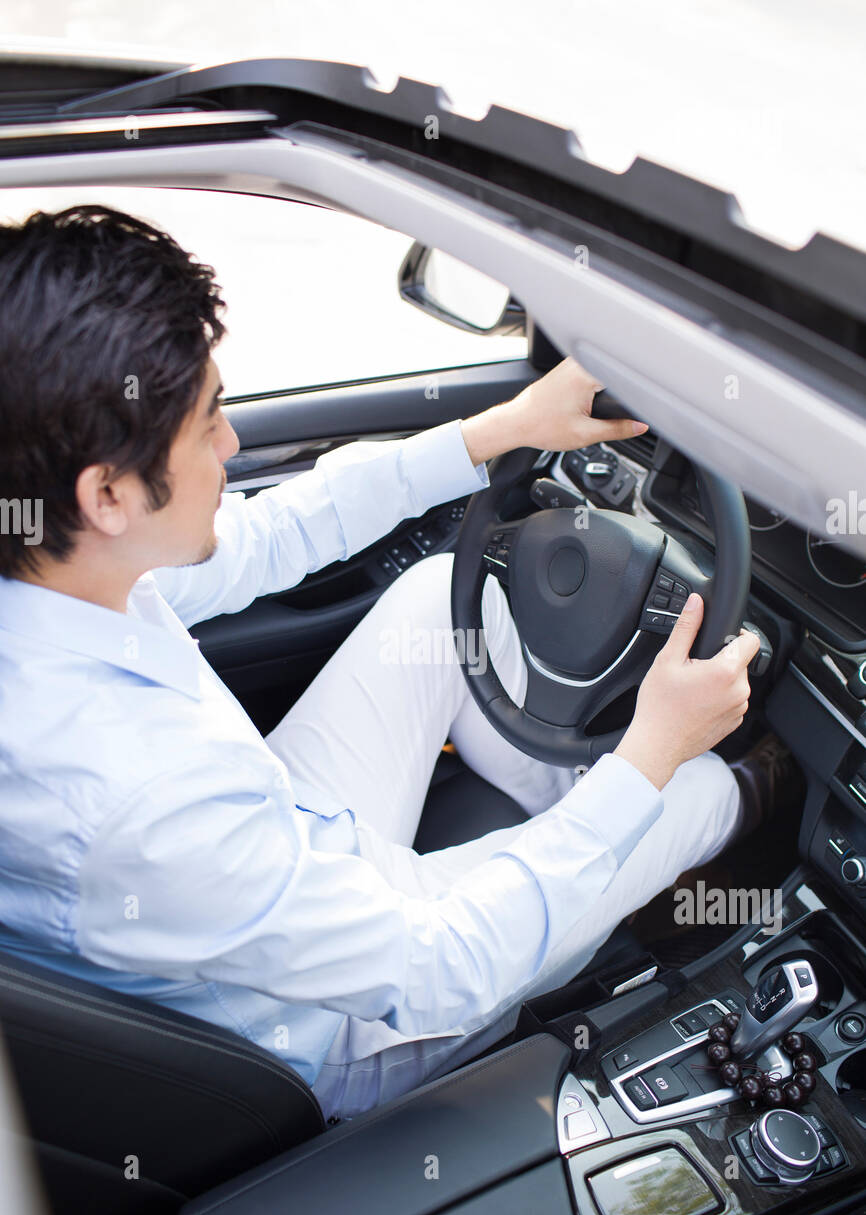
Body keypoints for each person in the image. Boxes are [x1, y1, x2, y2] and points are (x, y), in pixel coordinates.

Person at [0, 205, 762, 1121]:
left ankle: (567, 841)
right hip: (336, 1030)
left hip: (285, 846)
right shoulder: (140, 810)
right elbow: (444, 966)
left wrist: (501, 430)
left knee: (441, 597)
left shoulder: (58, 567)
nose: (234, 445)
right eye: (208, 426)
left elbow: (275, 533)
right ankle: (653, 853)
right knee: (697, 789)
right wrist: (651, 753)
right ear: (110, 494)